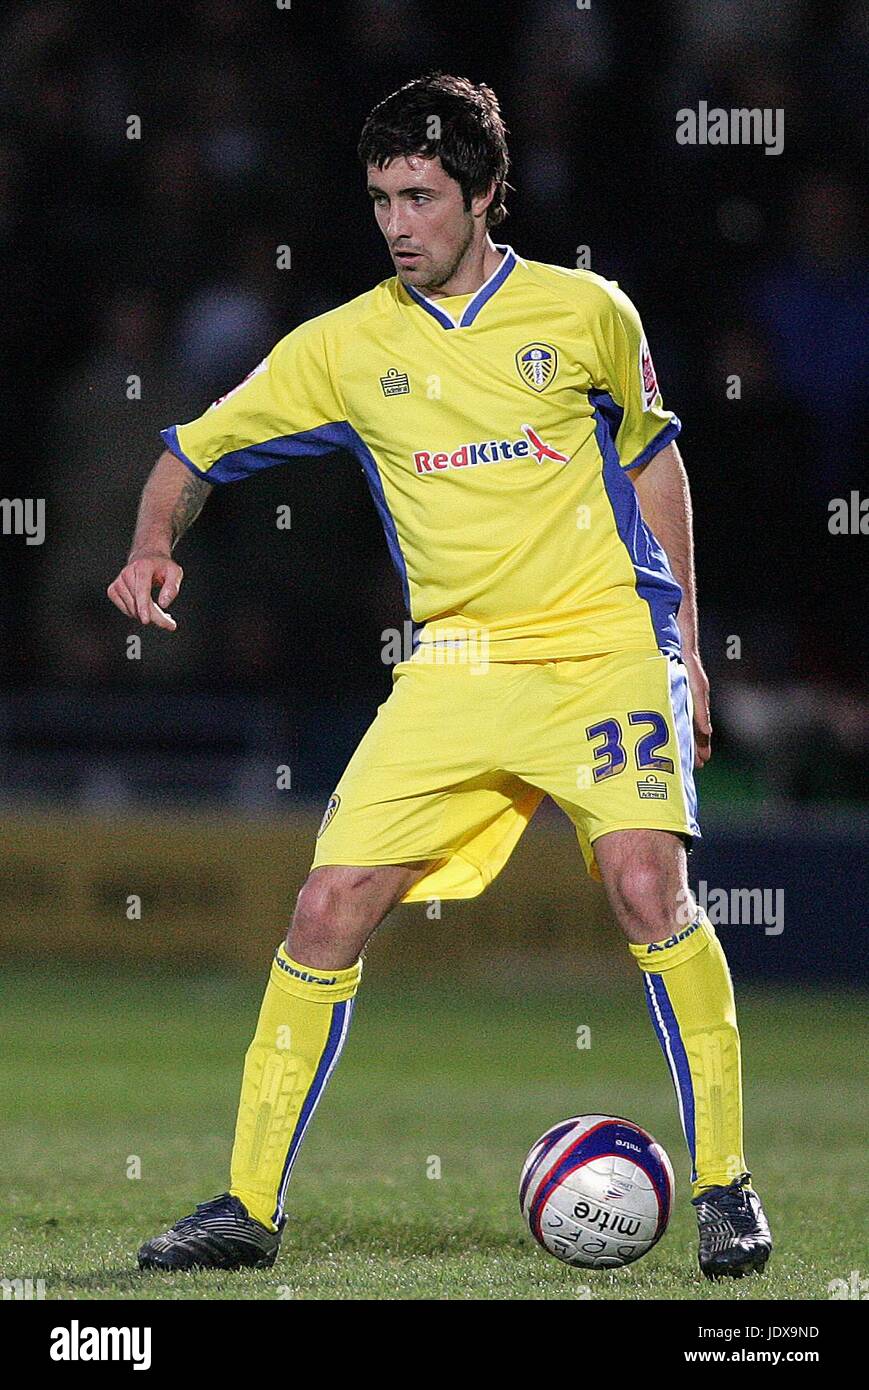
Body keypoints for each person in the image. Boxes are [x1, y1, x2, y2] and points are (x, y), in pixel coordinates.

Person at [108, 73, 771, 1280]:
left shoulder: (586, 314)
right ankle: (244, 1207)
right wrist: (155, 543)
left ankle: (724, 1187)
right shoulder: (347, 345)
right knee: (324, 908)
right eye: (378, 199)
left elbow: (656, 472)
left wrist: (681, 647)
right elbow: (189, 451)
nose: (397, 222)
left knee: (642, 886)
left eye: (419, 196)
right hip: (454, 670)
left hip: (599, 650)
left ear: (480, 197)